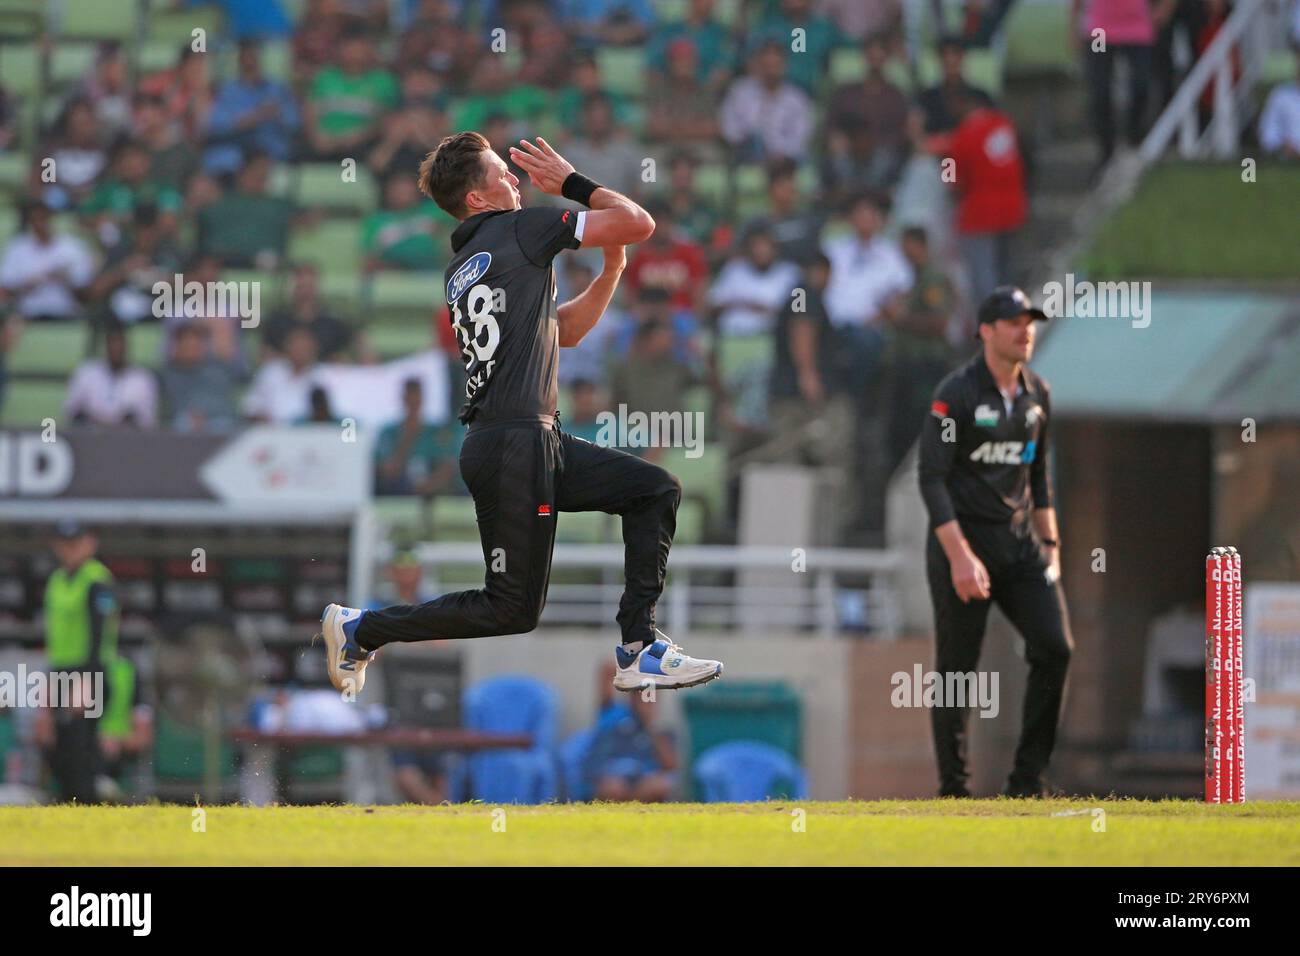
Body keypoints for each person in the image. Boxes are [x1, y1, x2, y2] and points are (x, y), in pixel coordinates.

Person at [319, 131, 723, 697]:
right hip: (516, 443)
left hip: (523, 441)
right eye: (498, 172)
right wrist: (573, 184)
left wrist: (609, 273)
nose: (514, 178)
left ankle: (640, 648)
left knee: (654, 489)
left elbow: (567, 333)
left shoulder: (467, 263)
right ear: (478, 199)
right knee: (510, 608)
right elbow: (638, 222)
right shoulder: (522, 228)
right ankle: (364, 627)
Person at [917, 287, 1073, 798]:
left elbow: (1038, 474)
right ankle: (954, 789)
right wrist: (960, 558)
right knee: (958, 669)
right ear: (986, 330)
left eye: (1029, 322)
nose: (1025, 330)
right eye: (1013, 322)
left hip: (1022, 545)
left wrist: (1050, 547)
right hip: (963, 543)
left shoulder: (1038, 394)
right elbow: (931, 480)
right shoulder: (955, 395)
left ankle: (1027, 781)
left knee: (1055, 647)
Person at [34, 520, 120, 804]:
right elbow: (56, 637)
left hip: (89, 671)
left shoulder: (96, 579)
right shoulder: (57, 580)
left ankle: (88, 808)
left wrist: (87, 681)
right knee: (59, 746)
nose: (70, 549)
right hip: (61, 671)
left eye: (76, 542)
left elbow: (98, 633)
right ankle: (68, 810)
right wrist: (48, 687)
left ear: (90, 543)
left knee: (81, 747)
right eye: (64, 543)